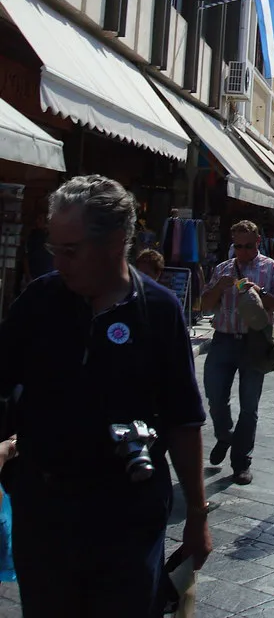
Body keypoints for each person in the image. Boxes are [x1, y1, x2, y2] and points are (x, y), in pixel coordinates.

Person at [0, 175, 212, 616]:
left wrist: (197, 512)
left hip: (126, 516)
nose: (58, 261)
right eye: (54, 248)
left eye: (71, 250)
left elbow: (182, 417)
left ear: (116, 241)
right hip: (45, 512)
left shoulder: (156, 310)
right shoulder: (40, 300)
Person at [202, 219, 274, 484]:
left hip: (254, 342)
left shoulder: (271, 268)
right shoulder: (222, 269)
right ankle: (225, 435)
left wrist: (260, 292)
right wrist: (219, 288)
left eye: (248, 246)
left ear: (258, 242)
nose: (242, 251)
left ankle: (242, 462)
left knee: (249, 406)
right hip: (224, 339)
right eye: (237, 246)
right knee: (215, 395)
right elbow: (204, 306)